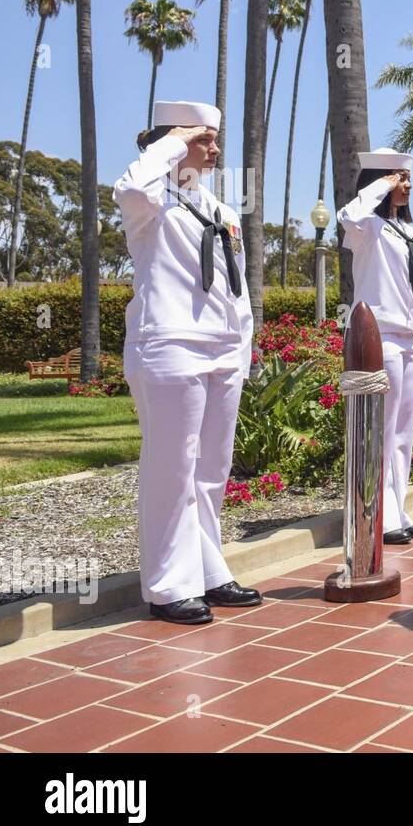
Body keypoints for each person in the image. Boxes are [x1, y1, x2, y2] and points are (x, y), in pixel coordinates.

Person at [114, 100, 261, 625]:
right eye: (204, 138)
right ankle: (167, 584)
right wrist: (174, 141)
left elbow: (234, 285)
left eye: (213, 138)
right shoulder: (150, 201)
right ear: (170, 139)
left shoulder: (218, 210)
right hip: (170, 344)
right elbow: (131, 186)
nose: (214, 148)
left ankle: (206, 569)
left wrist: (242, 346)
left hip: (221, 347)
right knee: (171, 468)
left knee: (210, 470)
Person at [338, 148, 413, 546]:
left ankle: (396, 507)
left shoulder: (408, 231)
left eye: (407, 179)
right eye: (398, 179)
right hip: (381, 335)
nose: (405, 186)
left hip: (410, 336)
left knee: (402, 433)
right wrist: (382, 184)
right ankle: (378, 511)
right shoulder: (366, 229)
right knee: (381, 427)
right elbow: (349, 215)